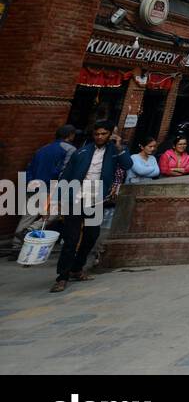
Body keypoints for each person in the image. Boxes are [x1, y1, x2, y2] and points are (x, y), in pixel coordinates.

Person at [50, 121, 133, 293]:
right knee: (70, 240)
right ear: (93, 135)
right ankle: (62, 277)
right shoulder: (82, 151)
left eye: (104, 134)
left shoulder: (114, 152)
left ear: (110, 134)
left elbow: (127, 165)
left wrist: (119, 146)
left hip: (96, 200)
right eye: (97, 134)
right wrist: (57, 199)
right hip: (76, 199)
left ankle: (77, 268)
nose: (100, 137)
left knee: (91, 236)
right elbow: (66, 176)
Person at [9, 124, 78, 257]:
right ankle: (30, 230)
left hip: (33, 185)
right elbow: (65, 171)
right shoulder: (70, 149)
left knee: (28, 216)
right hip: (50, 187)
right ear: (70, 135)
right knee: (54, 213)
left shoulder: (42, 149)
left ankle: (16, 247)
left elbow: (30, 167)